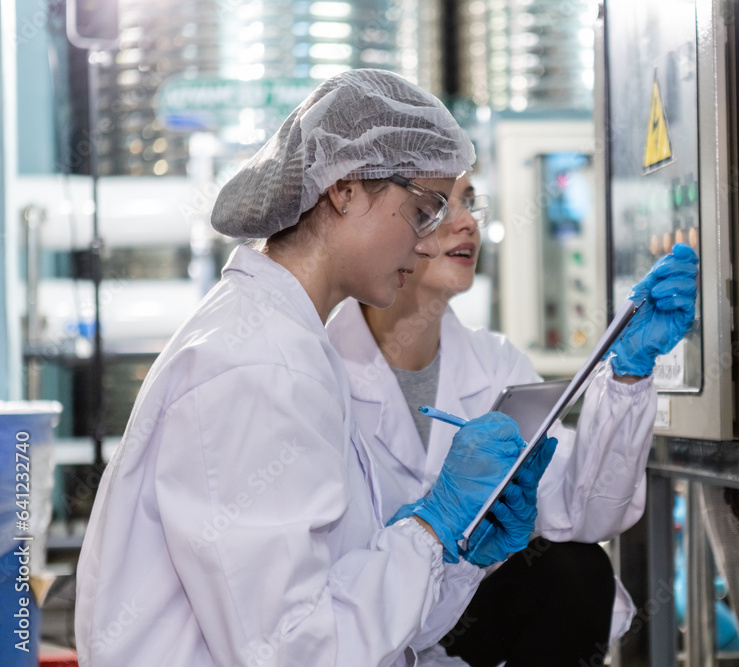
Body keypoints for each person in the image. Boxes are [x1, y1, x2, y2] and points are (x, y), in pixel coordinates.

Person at [74, 69, 554, 667]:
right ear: (345, 189)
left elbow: (343, 607)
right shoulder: (259, 363)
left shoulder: (293, 342)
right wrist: (430, 530)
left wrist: (454, 552)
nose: (429, 243)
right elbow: (293, 650)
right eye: (423, 210)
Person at [326, 173, 700, 665]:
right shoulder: (318, 367)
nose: (466, 225)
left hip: (462, 624)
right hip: (348, 633)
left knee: (575, 568)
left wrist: (627, 375)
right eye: (437, 205)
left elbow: (585, 515)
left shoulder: (495, 363)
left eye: (471, 203)